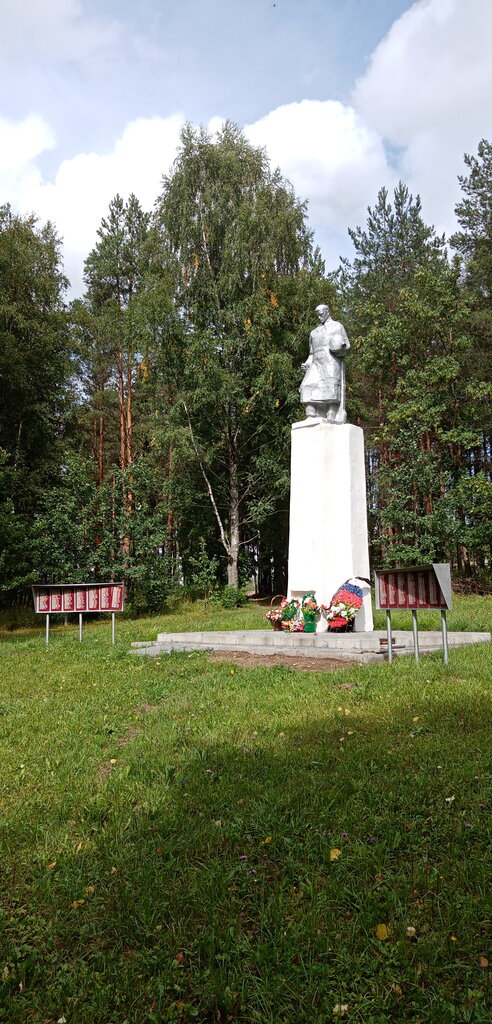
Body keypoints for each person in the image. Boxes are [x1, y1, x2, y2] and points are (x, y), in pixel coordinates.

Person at [300, 303, 350, 422]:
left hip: (331, 360)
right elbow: (311, 353)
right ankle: (311, 415)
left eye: (321, 314)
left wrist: (341, 348)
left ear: (327, 312)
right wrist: (307, 363)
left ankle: (331, 415)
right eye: (317, 315)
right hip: (316, 363)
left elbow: (347, 345)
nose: (319, 317)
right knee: (306, 385)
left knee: (331, 386)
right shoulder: (314, 332)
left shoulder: (337, 326)